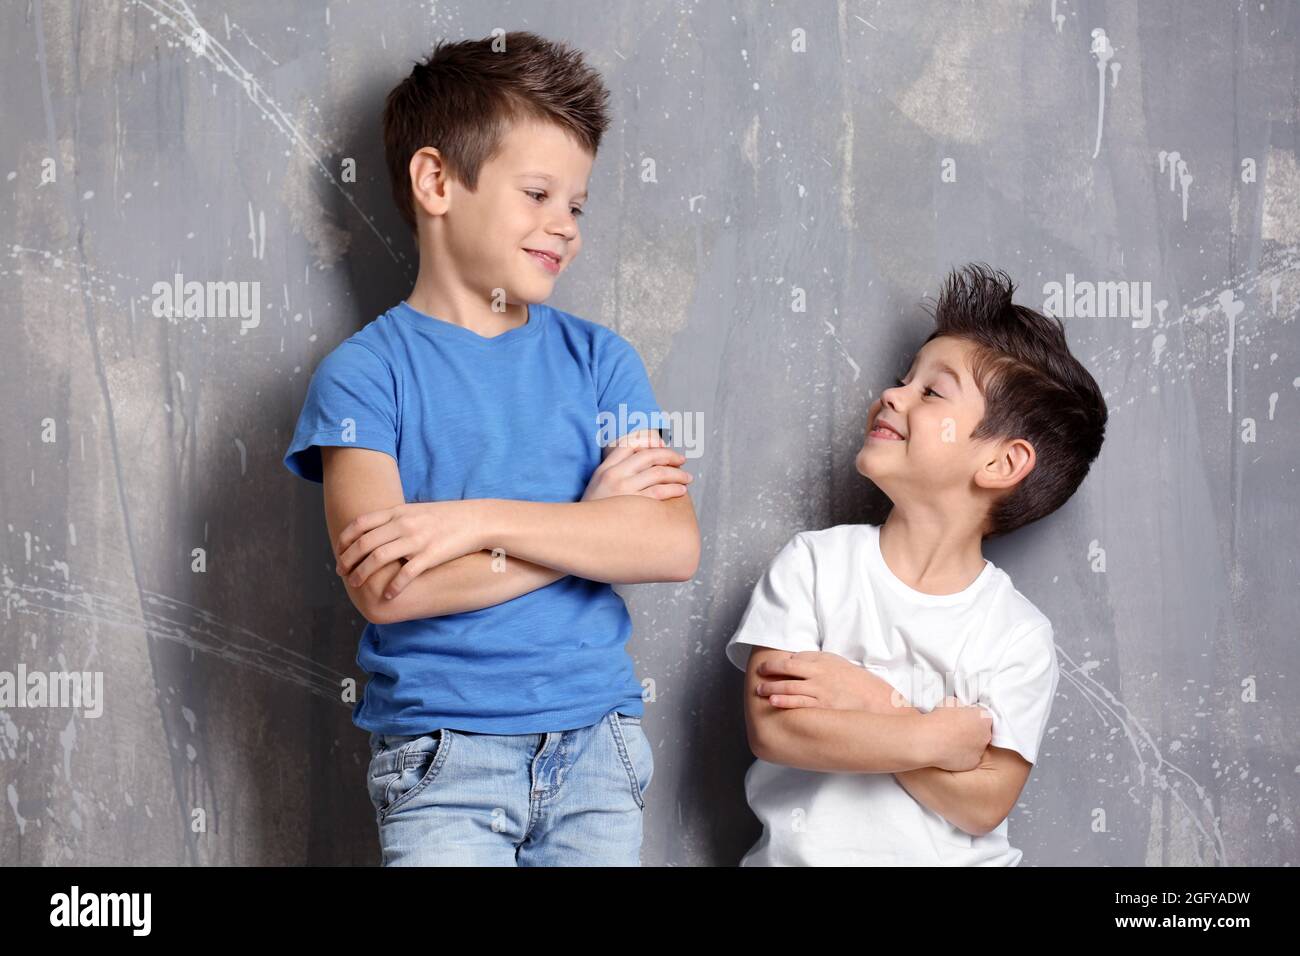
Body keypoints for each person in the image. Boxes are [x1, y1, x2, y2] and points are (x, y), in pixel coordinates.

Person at [283, 31, 700, 865]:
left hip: (598, 747)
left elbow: (669, 543)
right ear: (437, 181)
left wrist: (473, 523)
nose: (565, 227)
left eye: (576, 205)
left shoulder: (602, 361)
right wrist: (586, 530)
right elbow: (391, 591)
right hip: (446, 760)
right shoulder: (364, 376)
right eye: (539, 193)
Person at [726, 262, 1108, 865]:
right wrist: (937, 737)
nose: (891, 394)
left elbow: (983, 803)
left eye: (931, 391)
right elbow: (777, 731)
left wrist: (876, 704)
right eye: (903, 379)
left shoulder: (1017, 634)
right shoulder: (815, 566)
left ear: (1002, 464)